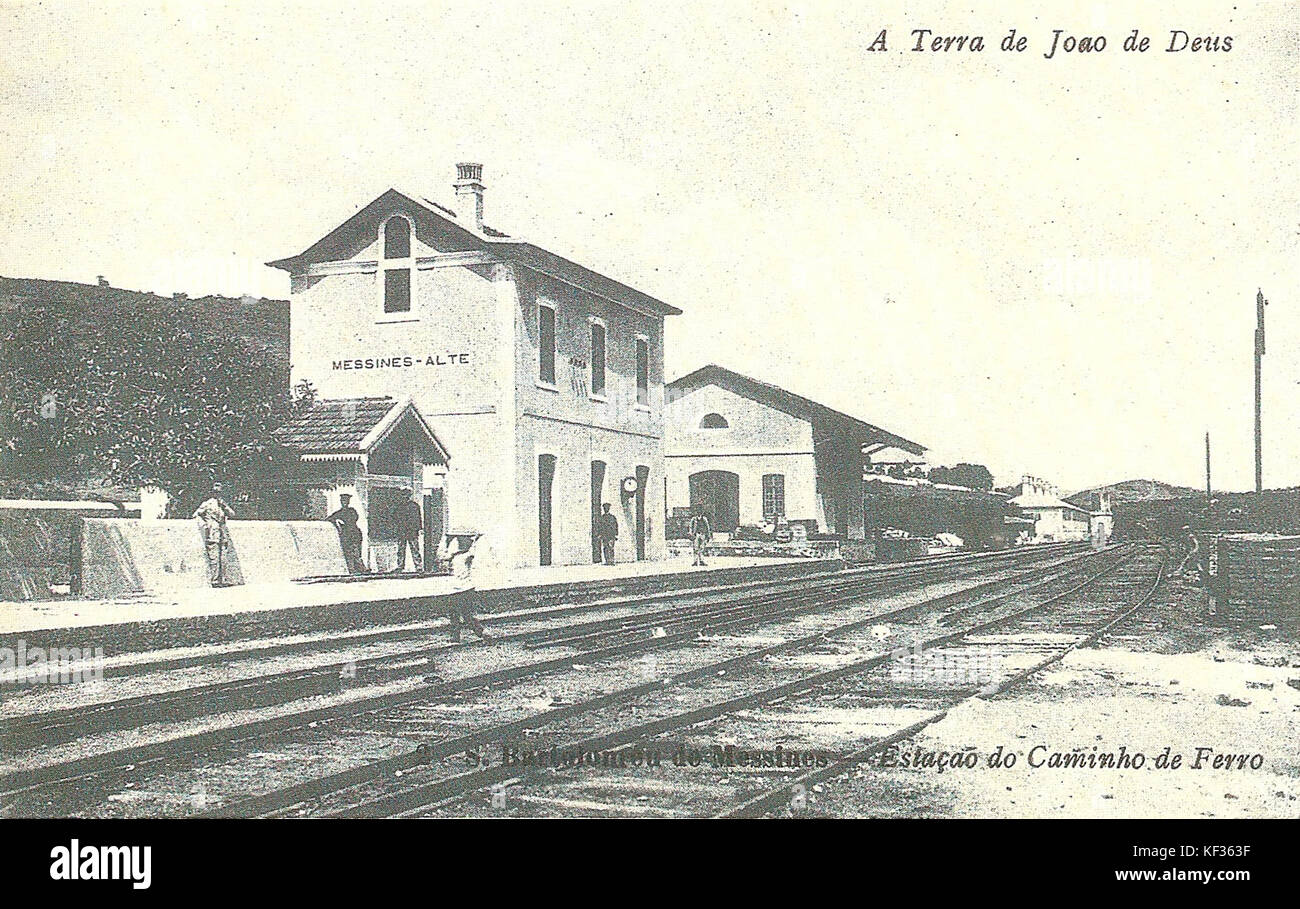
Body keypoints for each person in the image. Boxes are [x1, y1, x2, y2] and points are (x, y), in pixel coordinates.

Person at [437, 531, 489, 642]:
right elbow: (441, 556)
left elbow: (472, 552)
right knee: (458, 615)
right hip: (458, 589)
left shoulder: (465, 556)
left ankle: (480, 632)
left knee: (462, 615)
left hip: (464, 589)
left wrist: (475, 540)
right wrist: (444, 539)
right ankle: (464, 635)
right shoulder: (457, 556)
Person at [193, 483, 236, 586]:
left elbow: (232, 514)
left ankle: (224, 579)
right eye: (216, 492)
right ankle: (215, 580)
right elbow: (196, 515)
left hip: (222, 534)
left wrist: (225, 506)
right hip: (212, 533)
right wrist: (205, 525)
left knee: (224, 558)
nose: (217, 494)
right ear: (212, 493)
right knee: (214, 558)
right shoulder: (207, 504)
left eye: (219, 492)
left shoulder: (223, 504)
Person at [327, 494, 367, 574]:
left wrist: (340, 521)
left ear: (348, 502)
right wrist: (337, 521)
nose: (344, 503)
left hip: (354, 533)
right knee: (348, 553)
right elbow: (329, 518)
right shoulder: (339, 513)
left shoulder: (352, 511)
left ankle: (361, 569)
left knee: (356, 552)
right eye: (343, 501)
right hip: (346, 535)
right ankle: (352, 570)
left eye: (346, 501)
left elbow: (354, 518)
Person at [397, 494, 423, 572]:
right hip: (402, 531)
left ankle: (418, 566)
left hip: (412, 532)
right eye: (403, 494)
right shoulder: (400, 506)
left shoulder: (414, 506)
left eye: (406, 494)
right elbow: (396, 518)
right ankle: (400, 566)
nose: (404, 497)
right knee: (401, 550)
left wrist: (418, 529)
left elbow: (418, 518)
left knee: (415, 549)